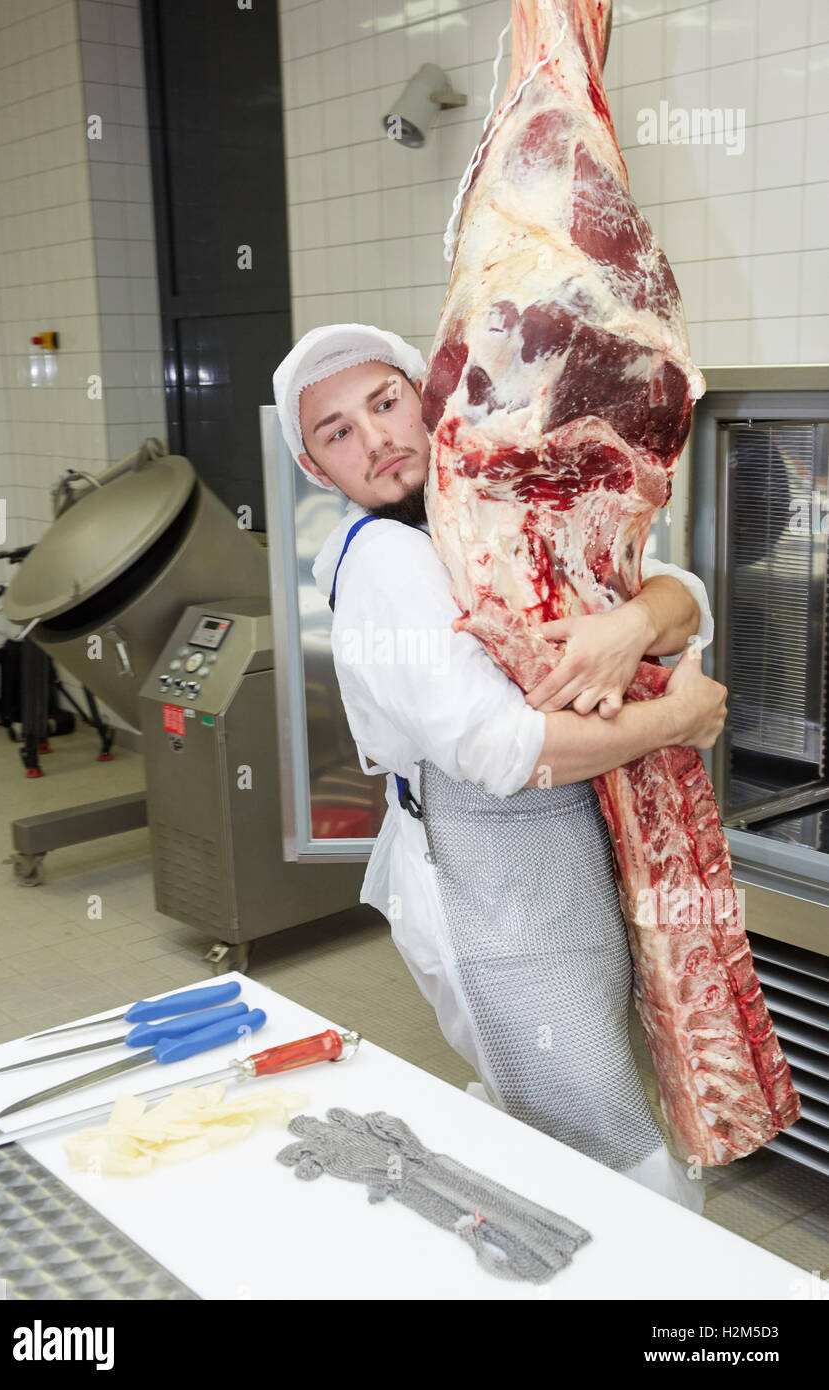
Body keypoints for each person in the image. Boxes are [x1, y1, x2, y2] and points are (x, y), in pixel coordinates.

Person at [273, 323, 727, 1214]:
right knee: (608, 1145)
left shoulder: (479, 510)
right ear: (317, 471)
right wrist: (676, 716)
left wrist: (627, 626)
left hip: (562, 860)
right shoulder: (386, 564)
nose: (375, 440)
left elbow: (680, 594)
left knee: (561, 1119)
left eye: (385, 403)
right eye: (337, 433)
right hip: (488, 887)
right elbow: (504, 753)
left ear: (426, 398)